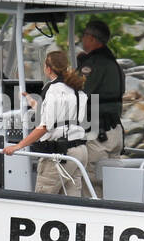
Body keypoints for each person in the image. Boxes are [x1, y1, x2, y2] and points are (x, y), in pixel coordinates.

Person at [5, 50, 90, 196]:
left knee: (43, 197)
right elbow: (64, 118)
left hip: (60, 154)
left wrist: (18, 146)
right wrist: (33, 103)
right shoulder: (77, 90)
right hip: (80, 152)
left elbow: (45, 127)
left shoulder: (52, 90)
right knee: (72, 200)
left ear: (48, 68)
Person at [76, 18, 125, 177]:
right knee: (112, 184)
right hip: (115, 132)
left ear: (91, 38)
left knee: (92, 183)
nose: (82, 39)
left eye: (84, 35)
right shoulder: (114, 65)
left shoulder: (93, 64)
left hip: (98, 136)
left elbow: (77, 95)